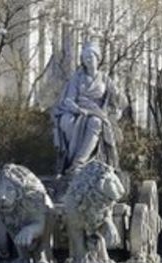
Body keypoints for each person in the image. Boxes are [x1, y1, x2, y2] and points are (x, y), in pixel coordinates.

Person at [52, 41, 122, 175]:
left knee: (95, 122)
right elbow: (68, 99)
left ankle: (78, 163)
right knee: (66, 121)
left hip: (97, 113)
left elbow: (117, 99)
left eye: (91, 57)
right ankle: (67, 160)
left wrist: (116, 110)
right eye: (85, 58)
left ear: (98, 58)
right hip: (77, 110)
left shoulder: (105, 79)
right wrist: (78, 109)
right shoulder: (77, 78)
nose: (88, 60)